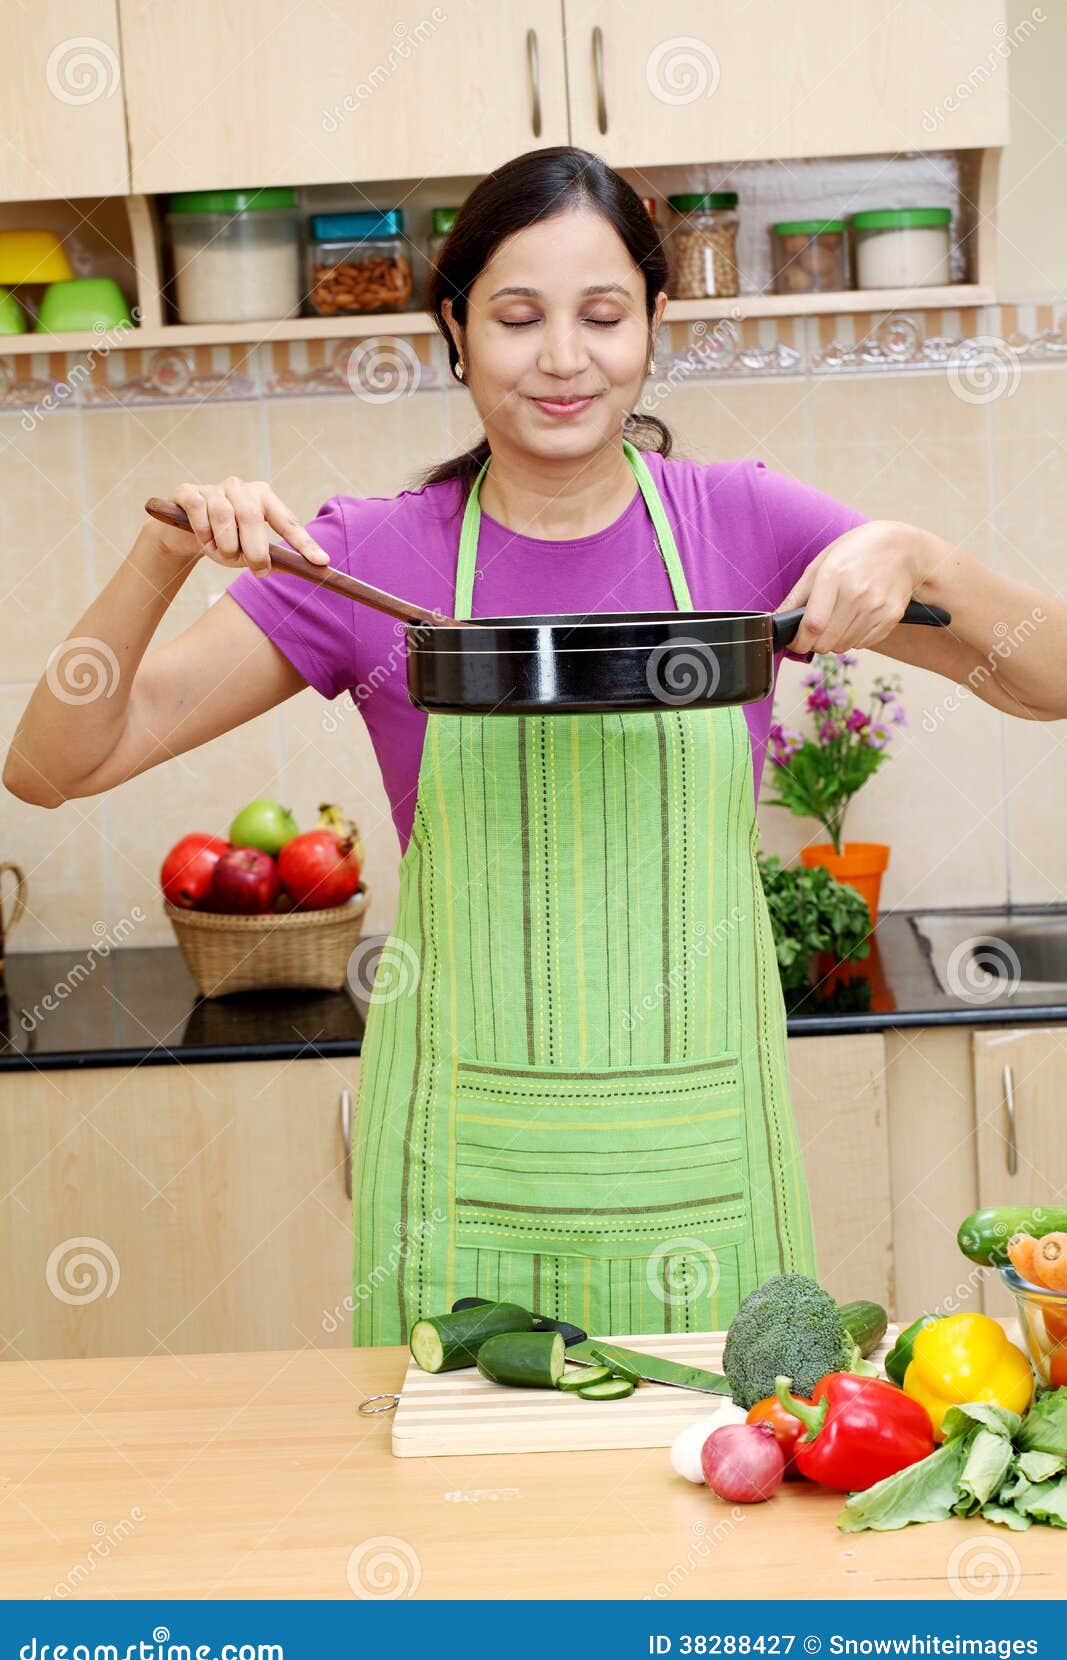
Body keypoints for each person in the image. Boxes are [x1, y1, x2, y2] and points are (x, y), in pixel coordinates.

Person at [6, 148, 1066, 1348]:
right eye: (516, 317)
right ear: (453, 328)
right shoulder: (365, 562)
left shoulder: (744, 525)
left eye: (602, 315)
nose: (562, 358)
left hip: (700, 1167)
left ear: (654, 324)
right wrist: (164, 553)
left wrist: (919, 558)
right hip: (463, 1184)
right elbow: (53, 766)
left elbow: (1045, 678)